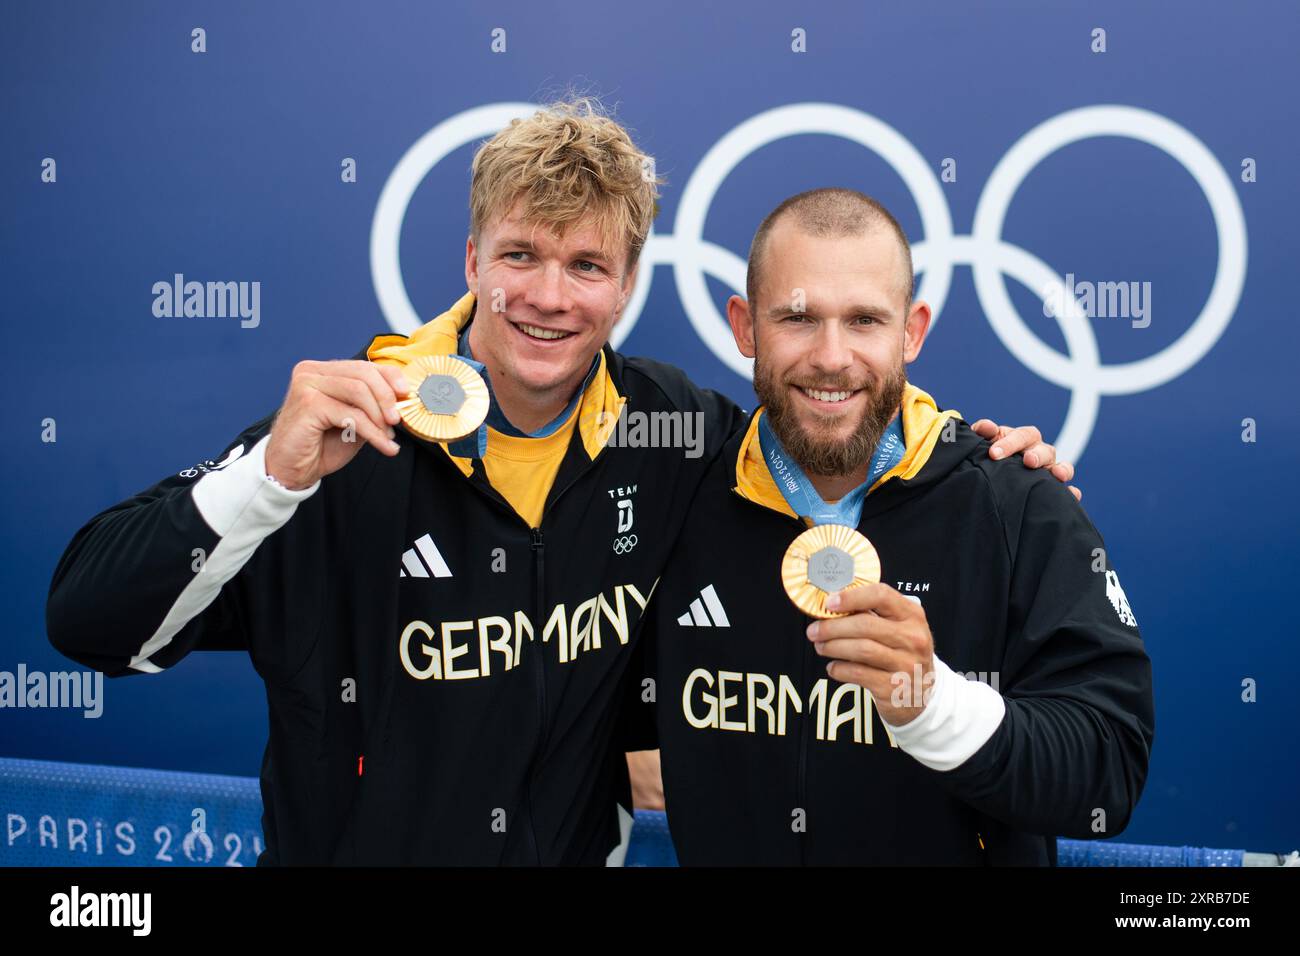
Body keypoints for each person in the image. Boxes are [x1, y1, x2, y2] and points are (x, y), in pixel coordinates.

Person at [45, 101, 1069, 865]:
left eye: (586, 265)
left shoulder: (676, 436)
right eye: (519, 255)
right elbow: (89, 619)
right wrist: (267, 477)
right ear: (471, 259)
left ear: (627, 285)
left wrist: (977, 462)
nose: (546, 294)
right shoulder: (347, 434)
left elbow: (826, 432)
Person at [634, 187, 1154, 865]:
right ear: (744, 325)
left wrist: (932, 704)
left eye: (863, 321)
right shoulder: (680, 494)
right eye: (797, 318)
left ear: (911, 331)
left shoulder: (1017, 504)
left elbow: (1108, 773)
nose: (830, 356)